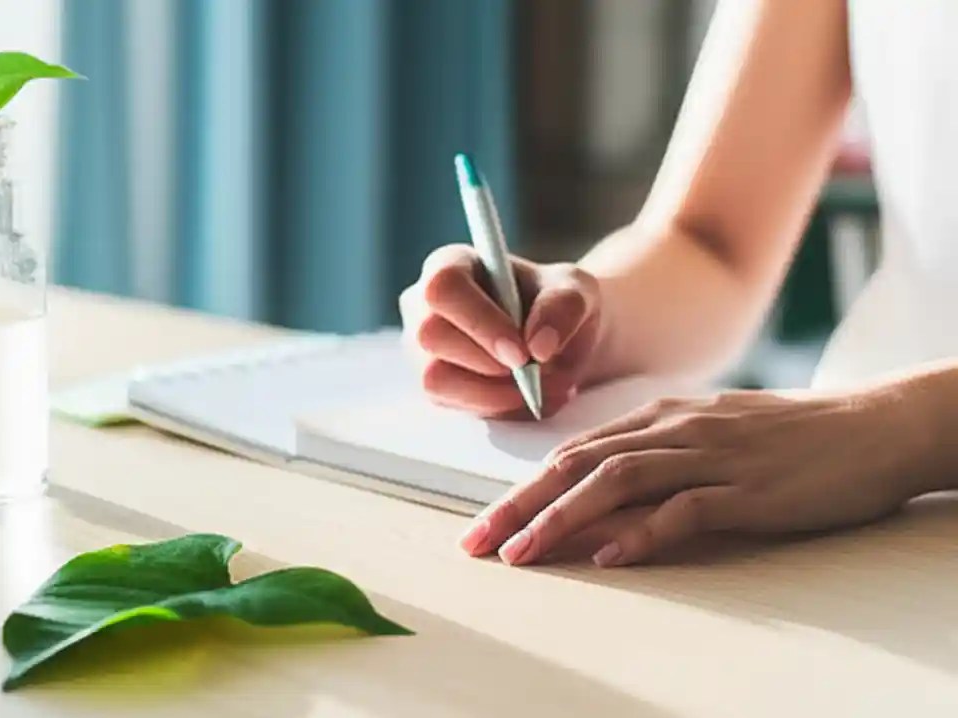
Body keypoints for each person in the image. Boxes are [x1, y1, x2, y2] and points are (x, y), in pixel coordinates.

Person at [398, 0, 958, 568]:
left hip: (858, 476)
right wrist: (587, 316)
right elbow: (712, 246)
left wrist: (904, 426)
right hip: (838, 506)